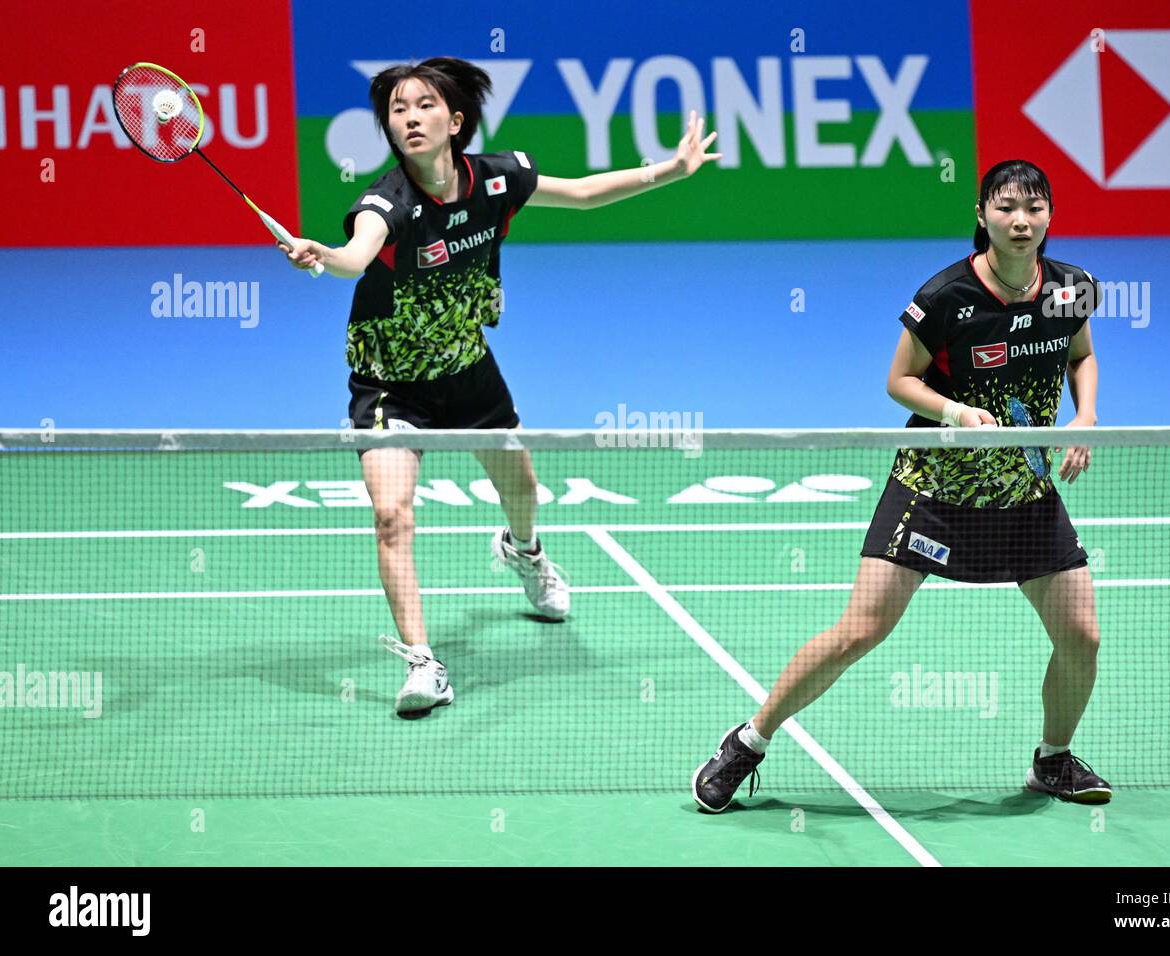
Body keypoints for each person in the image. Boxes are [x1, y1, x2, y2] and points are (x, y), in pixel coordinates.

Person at [281, 57, 721, 715]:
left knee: (523, 488)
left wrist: (671, 169)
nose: (408, 118)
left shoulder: (498, 179)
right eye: (397, 110)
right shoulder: (386, 204)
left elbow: (584, 193)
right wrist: (326, 255)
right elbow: (356, 255)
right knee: (391, 515)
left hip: (466, 368)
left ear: (455, 120)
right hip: (388, 381)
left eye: (423, 105)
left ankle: (523, 549)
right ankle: (423, 663)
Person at [692, 159, 1111, 808]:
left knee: (1081, 635)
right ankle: (749, 740)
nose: (1020, 220)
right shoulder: (947, 296)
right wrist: (956, 411)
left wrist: (1084, 419)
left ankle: (1053, 760)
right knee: (861, 629)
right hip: (933, 491)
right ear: (981, 216)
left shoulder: (1073, 287)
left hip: (1023, 495)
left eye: (1033, 207)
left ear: (1050, 214)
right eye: (1005, 207)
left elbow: (1080, 355)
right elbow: (899, 381)